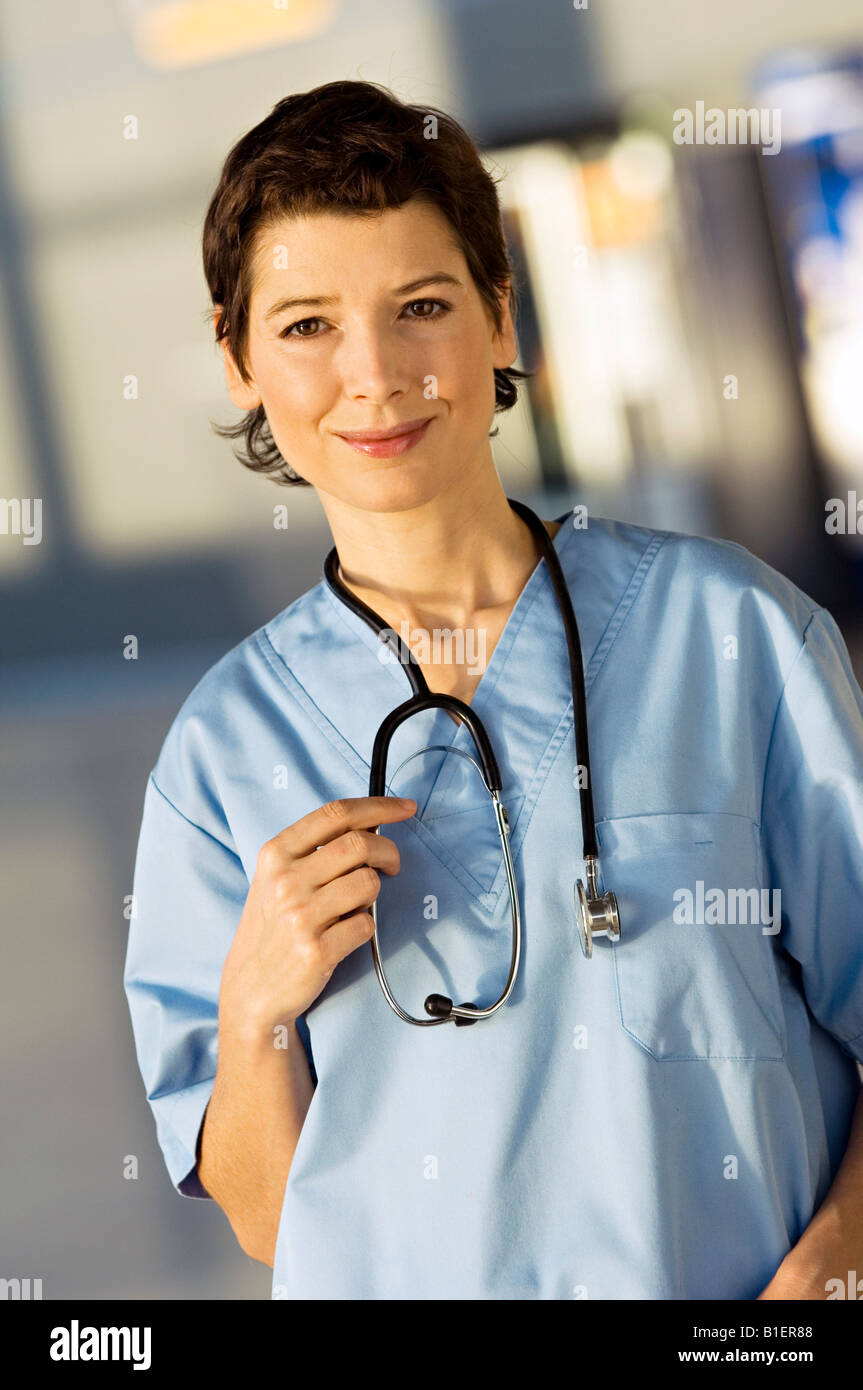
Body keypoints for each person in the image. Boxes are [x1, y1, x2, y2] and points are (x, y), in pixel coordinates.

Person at [123, 79, 863, 1301]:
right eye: (305, 324)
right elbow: (265, 1221)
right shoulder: (221, 755)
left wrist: (824, 1278)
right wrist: (255, 1001)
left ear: (503, 320)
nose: (373, 373)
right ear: (237, 358)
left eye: (421, 305)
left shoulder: (731, 638)